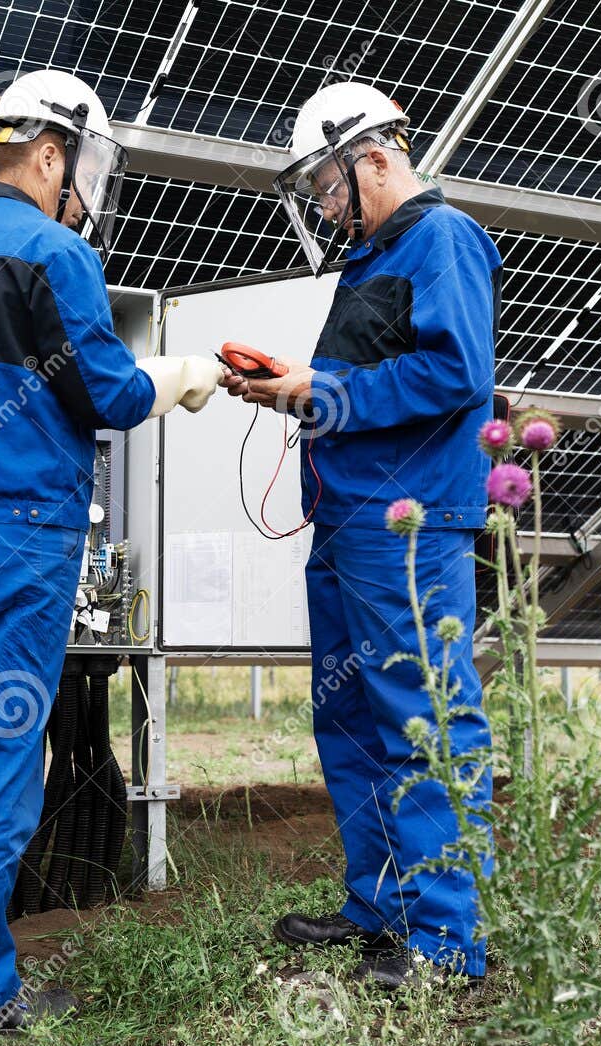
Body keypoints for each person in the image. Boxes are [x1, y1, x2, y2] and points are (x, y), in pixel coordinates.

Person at [0, 69, 223, 1039]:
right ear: (53, 152)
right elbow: (103, 392)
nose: (88, 185)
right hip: (18, 531)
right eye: (87, 164)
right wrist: (179, 374)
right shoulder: (53, 252)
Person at [224, 81, 502, 988]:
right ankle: (383, 908)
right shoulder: (369, 259)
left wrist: (314, 390)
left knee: (422, 720)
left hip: (407, 525)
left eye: (331, 186)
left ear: (376, 156)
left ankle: (449, 942)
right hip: (347, 523)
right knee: (348, 716)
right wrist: (296, 386)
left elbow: (456, 373)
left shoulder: (443, 239)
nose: (326, 206)